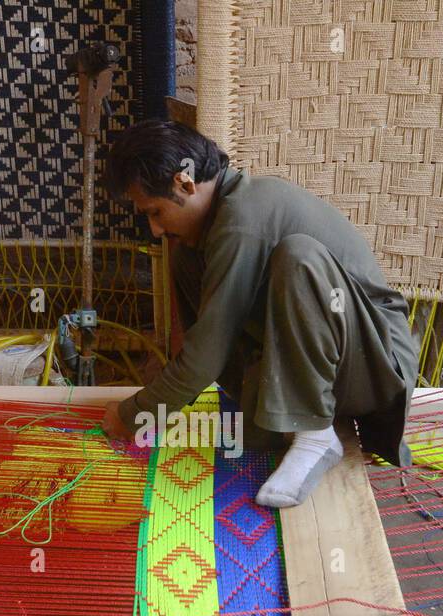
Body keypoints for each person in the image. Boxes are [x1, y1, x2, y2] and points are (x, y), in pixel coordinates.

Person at [100, 120, 420, 508]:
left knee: (299, 257)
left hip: (376, 366)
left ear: (185, 183)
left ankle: (315, 434)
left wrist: (135, 415)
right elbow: (206, 344)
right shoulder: (209, 230)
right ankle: (285, 417)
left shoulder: (244, 219)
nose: (153, 229)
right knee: (184, 253)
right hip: (329, 367)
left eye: (155, 212)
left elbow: (203, 359)